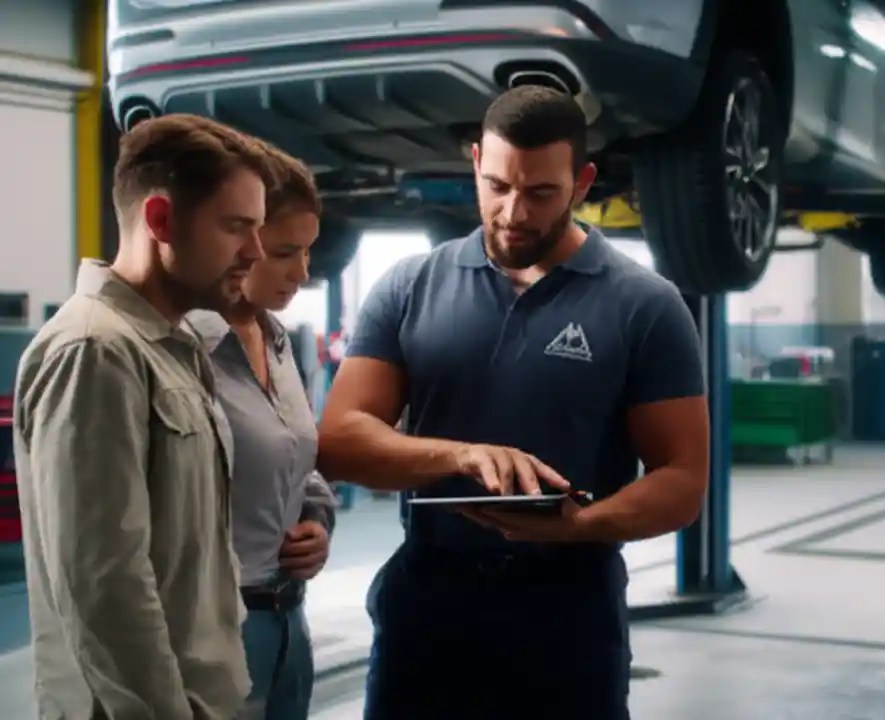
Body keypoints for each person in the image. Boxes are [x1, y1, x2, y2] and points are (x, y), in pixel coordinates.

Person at [317, 84, 710, 719]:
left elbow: (683, 481)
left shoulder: (646, 306)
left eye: (541, 193)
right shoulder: (410, 287)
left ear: (582, 183)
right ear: (475, 162)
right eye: (497, 185)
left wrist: (580, 526)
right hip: (427, 605)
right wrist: (462, 456)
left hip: (568, 613)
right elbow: (339, 440)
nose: (513, 212)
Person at [13, 113, 273, 719]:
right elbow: (104, 586)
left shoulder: (174, 346)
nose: (255, 252)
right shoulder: (95, 351)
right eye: (236, 227)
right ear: (160, 220)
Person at [187, 146, 337, 719]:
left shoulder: (277, 342)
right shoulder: (181, 350)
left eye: (308, 251)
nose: (302, 273)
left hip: (287, 622)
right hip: (217, 629)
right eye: (284, 253)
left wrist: (317, 521)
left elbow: (300, 460)